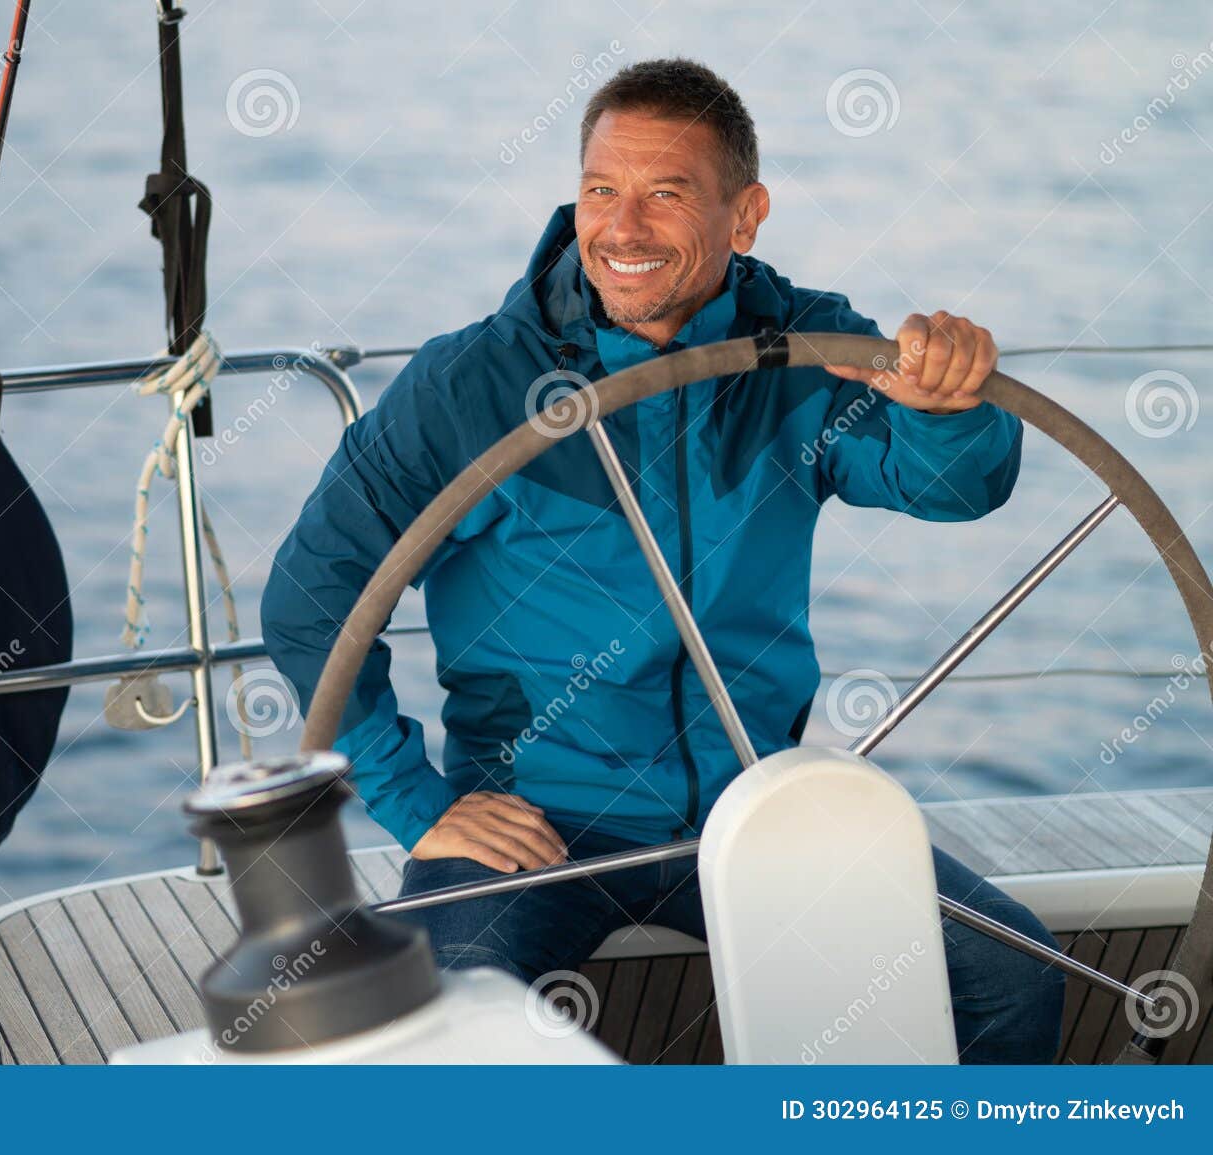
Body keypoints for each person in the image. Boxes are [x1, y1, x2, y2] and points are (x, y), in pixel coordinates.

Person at [261, 57, 1064, 1063]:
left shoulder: (805, 348)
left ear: (746, 215)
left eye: (667, 194)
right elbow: (312, 596)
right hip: (538, 824)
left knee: (1013, 975)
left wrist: (947, 410)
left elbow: (950, 487)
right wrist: (417, 805)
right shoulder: (470, 386)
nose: (622, 229)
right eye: (601, 190)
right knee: (456, 1045)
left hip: (755, 805)